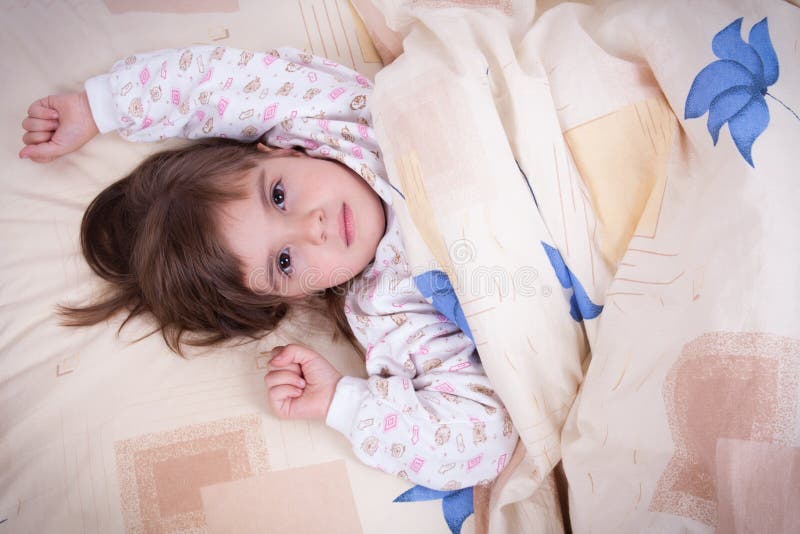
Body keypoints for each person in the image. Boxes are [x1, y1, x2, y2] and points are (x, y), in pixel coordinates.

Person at [19, 45, 518, 490]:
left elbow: (218, 83)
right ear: (294, 296)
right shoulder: (393, 310)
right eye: (284, 261)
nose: (312, 226)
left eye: (279, 196)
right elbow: (484, 438)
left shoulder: (334, 118)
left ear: (275, 147)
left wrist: (102, 105)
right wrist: (345, 404)